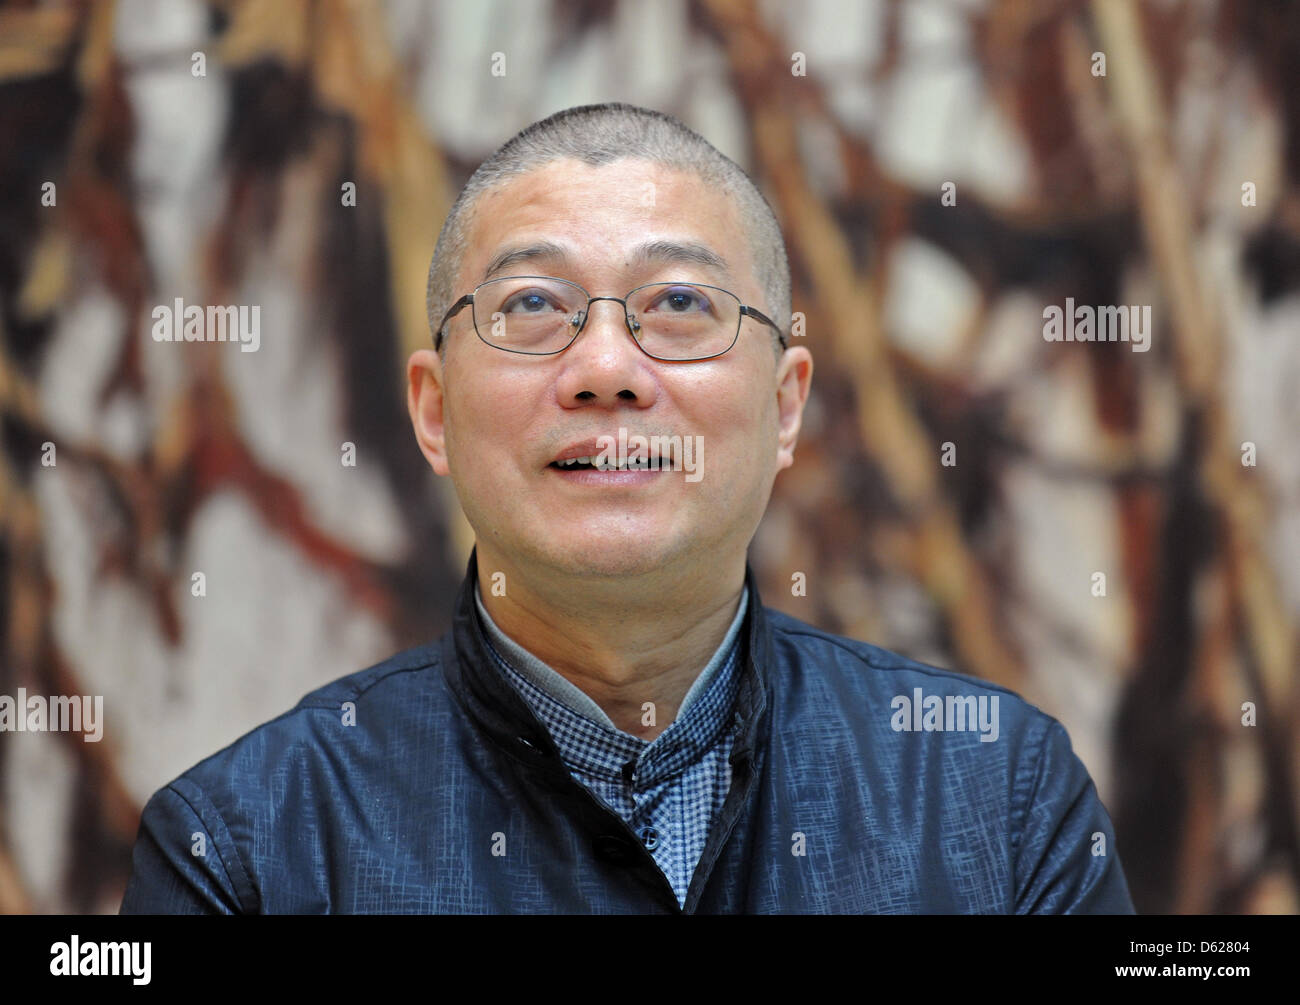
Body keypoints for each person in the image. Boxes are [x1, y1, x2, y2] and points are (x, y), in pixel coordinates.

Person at [120, 102, 1134, 914]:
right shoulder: (246, 849)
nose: (605, 368)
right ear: (433, 412)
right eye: (532, 308)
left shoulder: (993, 800)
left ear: (785, 407)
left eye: (679, 305)